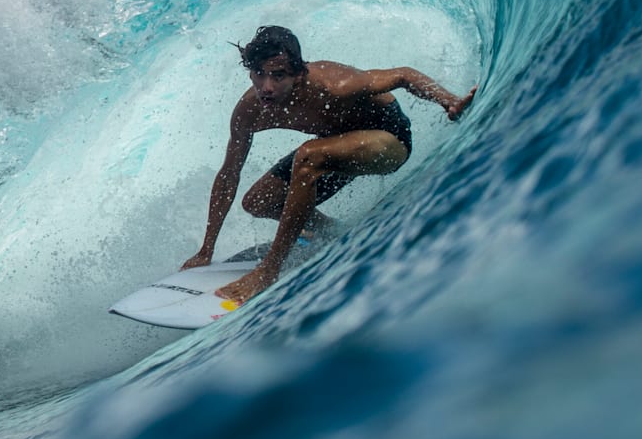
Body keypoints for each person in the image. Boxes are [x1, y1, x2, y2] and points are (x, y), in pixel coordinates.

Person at [182, 25, 476, 304]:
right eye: (259, 74)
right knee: (258, 202)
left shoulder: (333, 84)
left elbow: (403, 75)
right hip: (334, 148)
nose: (267, 86)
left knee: (308, 157)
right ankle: (328, 232)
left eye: (278, 75)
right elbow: (229, 173)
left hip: (387, 140)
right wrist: (206, 249)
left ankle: (269, 269)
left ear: (298, 72)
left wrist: (449, 101)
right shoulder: (249, 111)